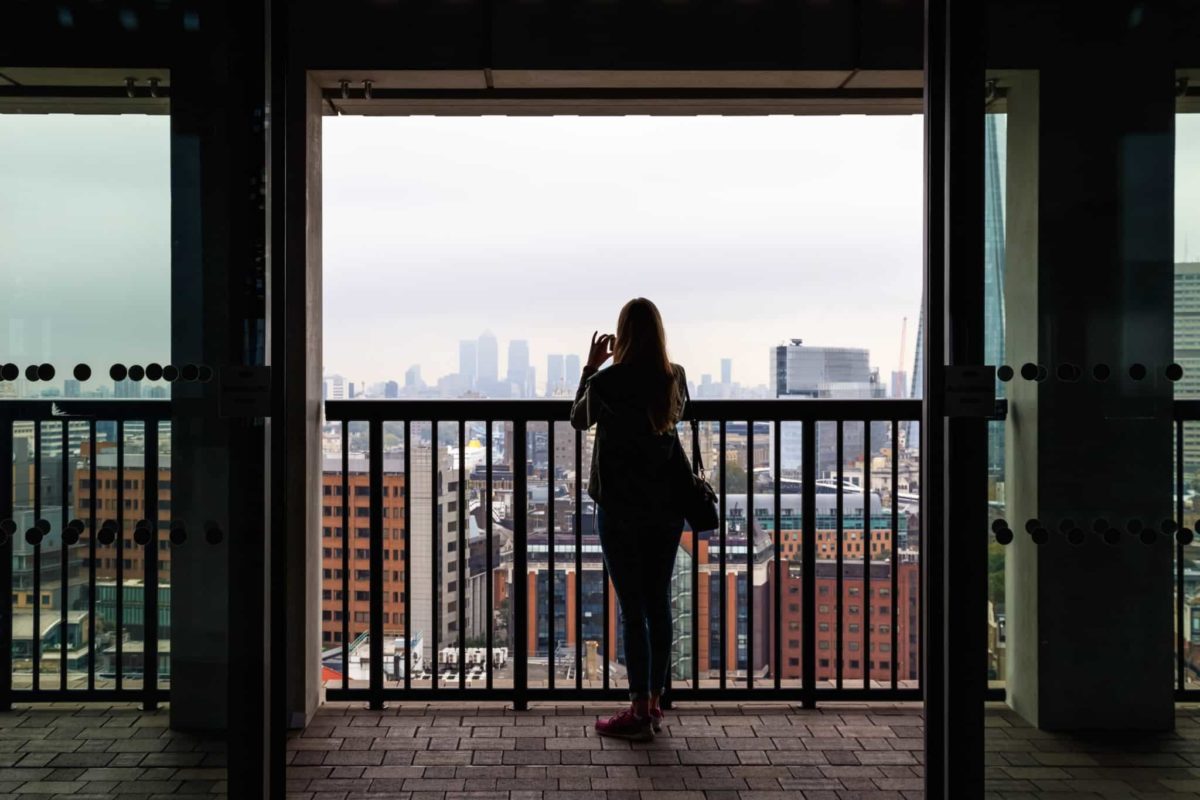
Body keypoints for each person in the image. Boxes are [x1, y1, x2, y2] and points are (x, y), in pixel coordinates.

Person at [570, 297, 689, 741]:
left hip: (620, 508)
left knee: (632, 609)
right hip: (667, 508)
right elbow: (678, 418)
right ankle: (654, 703)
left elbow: (578, 420)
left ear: (621, 335)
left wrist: (590, 367)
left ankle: (637, 711)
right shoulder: (675, 376)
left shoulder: (609, 381)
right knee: (658, 603)